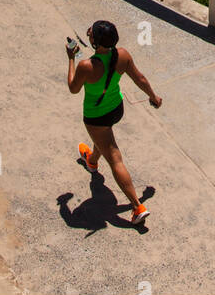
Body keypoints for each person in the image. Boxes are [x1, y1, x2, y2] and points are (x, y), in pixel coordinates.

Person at [68, 19, 162, 227]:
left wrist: (71, 59)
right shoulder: (123, 55)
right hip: (116, 109)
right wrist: (153, 97)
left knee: (115, 158)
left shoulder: (86, 66)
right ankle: (92, 161)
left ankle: (137, 207)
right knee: (104, 139)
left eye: (92, 33)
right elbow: (141, 79)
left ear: (96, 41)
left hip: (96, 116)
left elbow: (73, 88)